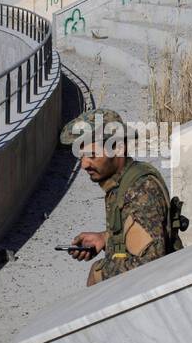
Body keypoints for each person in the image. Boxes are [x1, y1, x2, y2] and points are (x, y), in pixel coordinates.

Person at [61, 108, 183, 286]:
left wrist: (100, 273)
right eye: (81, 157)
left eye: (92, 155)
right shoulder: (120, 184)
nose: (84, 165)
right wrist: (105, 238)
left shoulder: (141, 190)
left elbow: (150, 265)